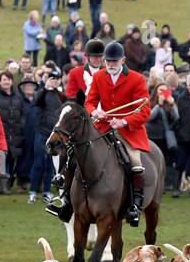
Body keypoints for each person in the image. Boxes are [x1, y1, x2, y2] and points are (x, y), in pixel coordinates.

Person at [50, 41, 152, 226]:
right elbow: (89, 102)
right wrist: (94, 111)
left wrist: (124, 121)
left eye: (114, 61)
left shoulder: (137, 79)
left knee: (135, 162)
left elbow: (144, 111)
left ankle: (134, 207)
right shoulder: (99, 77)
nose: (111, 64)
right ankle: (65, 202)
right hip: (102, 126)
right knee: (74, 154)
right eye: (108, 61)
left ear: (123, 60)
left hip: (128, 131)